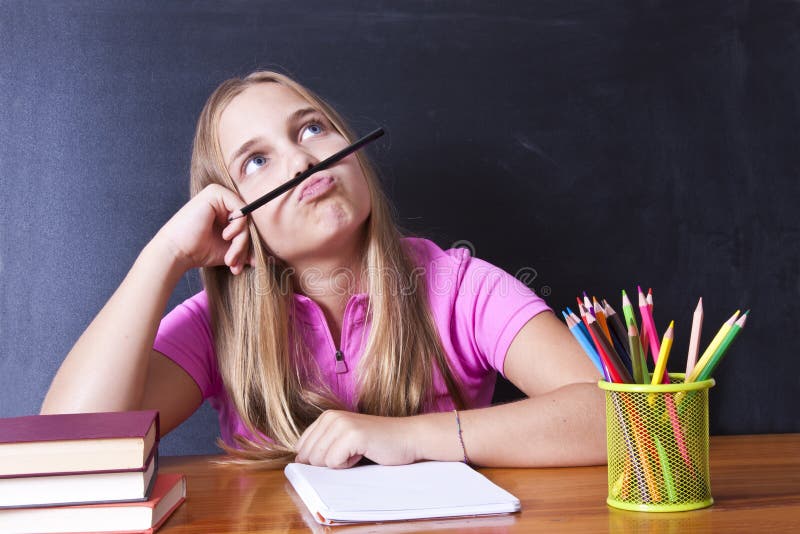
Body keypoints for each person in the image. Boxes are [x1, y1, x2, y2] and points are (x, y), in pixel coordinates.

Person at [41, 70, 605, 469]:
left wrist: (410, 437)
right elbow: (68, 446)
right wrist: (164, 255)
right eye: (257, 161)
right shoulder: (221, 326)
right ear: (231, 210)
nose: (304, 159)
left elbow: (621, 421)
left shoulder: (458, 287)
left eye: (311, 128)